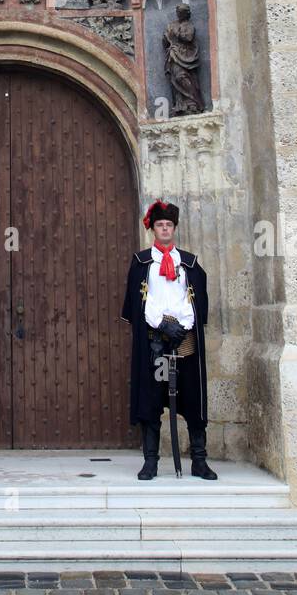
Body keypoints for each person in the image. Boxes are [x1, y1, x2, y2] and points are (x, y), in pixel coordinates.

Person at [122, 198, 217, 481]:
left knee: (191, 397)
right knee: (151, 398)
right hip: (155, 340)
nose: (164, 229)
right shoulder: (141, 263)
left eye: (169, 225)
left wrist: (182, 325)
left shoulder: (189, 263)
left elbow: (195, 298)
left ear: (174, 228)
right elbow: (141, 301)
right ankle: (150, 461)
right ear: (153, 229)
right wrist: (162, 323)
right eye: (160, 225)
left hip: (183, 339)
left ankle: (199, 461)